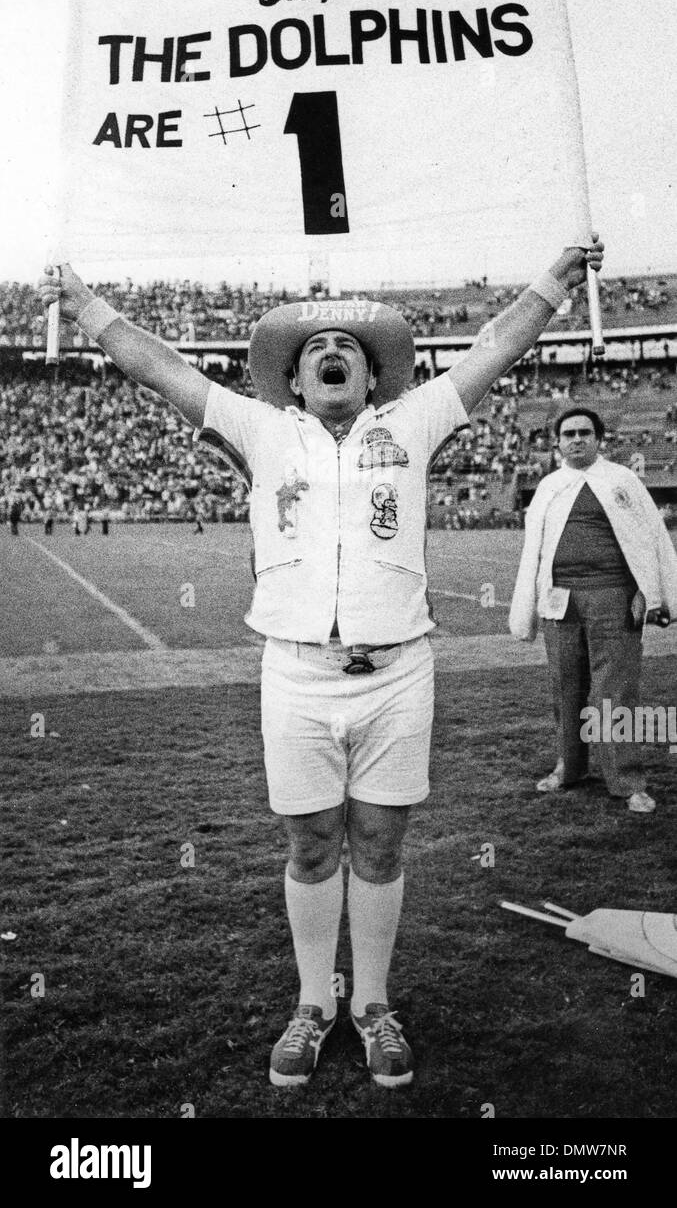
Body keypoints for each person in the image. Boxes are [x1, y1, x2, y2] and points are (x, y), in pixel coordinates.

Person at [39, 240, 604, 1089]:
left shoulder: (411, 421)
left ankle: (372, 1005)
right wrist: (82, 306)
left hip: (399, 670)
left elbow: (494, 345)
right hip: (296, 672)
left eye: (348, 348)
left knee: (379, 844)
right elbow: (160, 369)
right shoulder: (261, 429)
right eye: (314, 351)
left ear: (374, 379)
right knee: (310, 848)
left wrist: (555, 283)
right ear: (294, 383)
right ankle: (312, 1004)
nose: (332, 353)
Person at [509, 406, 677, 814]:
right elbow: (534, 553)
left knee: (614, 690)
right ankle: (570, 768)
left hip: (612, 596)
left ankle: (626, 780)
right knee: (565, 686)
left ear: (599, 439)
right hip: (559, 600)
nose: (578, 439)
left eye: (585, 432)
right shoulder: (549, 486)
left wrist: (646, 591)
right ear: (558, 442)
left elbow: (649, 539)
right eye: (569, 434)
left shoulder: (622, 480)